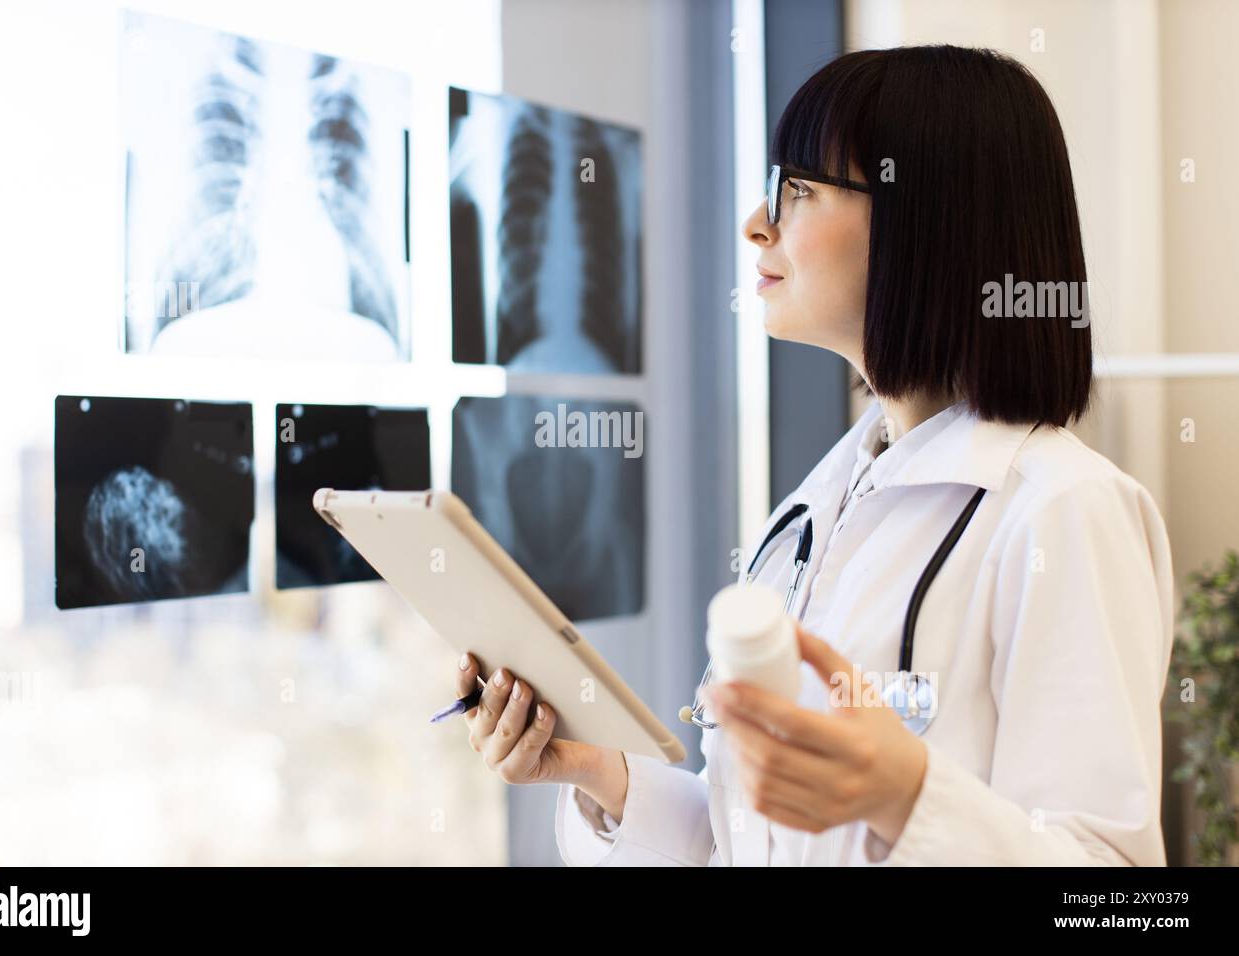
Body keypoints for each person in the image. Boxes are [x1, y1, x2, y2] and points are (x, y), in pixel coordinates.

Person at [452, 45, 1174, 866]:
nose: (758, 223)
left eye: (798, 190)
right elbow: (751, 845)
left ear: (926, 220)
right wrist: (601, 776)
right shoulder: (812, 514)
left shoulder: (1063, 511)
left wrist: (908, 796)